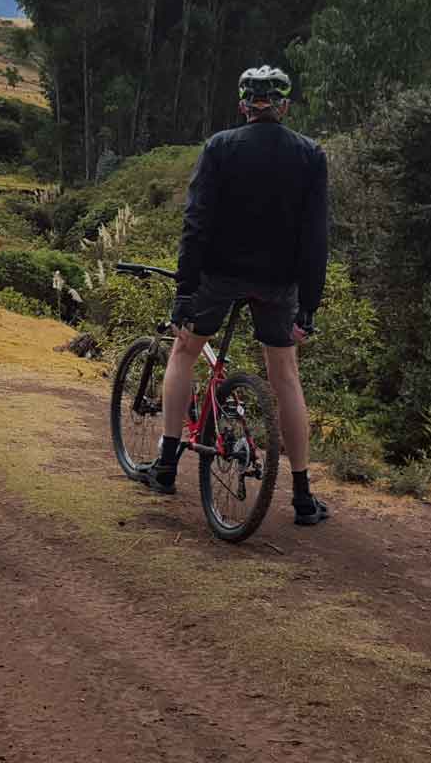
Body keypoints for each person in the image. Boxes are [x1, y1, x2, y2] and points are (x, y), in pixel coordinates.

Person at [133, 65, 333, 526]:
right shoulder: (310, 154)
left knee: (184, 350)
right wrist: (310, 302)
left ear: (244, 105)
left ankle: (165, 467)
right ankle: (302, 497)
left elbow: (196, 223)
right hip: (278, 284)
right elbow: (315, 237)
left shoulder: (220, 147)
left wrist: (186, 288)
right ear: (284, 105)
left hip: (219, 277)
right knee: (284, 376)